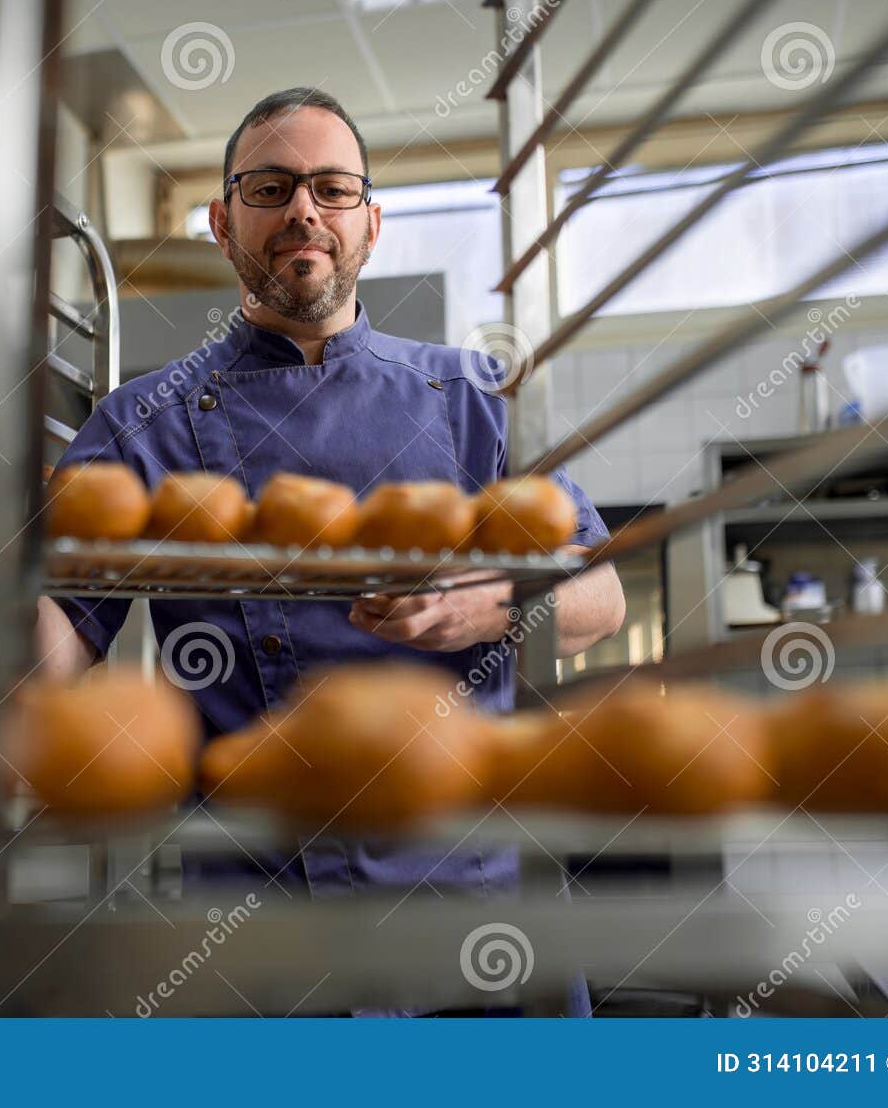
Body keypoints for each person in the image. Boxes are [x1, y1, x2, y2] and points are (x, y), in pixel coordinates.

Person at [34, 87, 625, 1015]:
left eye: (332, 187)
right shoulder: (140, 421)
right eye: (270, 187)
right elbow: (58, 623)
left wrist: (494, 604)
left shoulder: (468, 395)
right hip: (254, 932)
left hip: (470, 920)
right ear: (225, 223)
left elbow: (601, 596)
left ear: (370, 223)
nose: (303, 209)